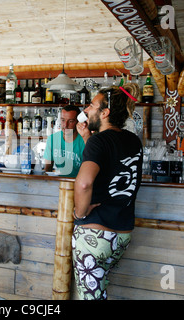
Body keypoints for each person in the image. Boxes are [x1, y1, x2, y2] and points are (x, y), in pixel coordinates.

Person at [72, 84, 143, 300]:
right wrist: (87, 139)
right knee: (98, 292)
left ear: (105, 113)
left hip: (95, 234)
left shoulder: (99, 141)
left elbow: (84, 183)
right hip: (121, 235)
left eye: (92, 105)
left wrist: (80, 213)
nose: (86, 110)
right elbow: (109, 164)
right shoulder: (133, 140)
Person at [43, 105, 85, 177]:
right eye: (63, 120)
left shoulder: (85, 141)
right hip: (59, 184)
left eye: (70, 121)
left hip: (79, 184)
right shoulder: (52, 139)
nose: (65, 125)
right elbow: (47, 169)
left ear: (78, 122)